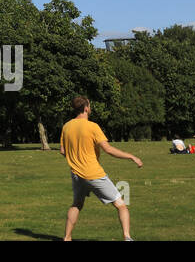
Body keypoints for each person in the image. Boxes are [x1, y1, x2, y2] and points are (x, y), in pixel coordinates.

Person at [59, 96, 141, 241]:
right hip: (93, 173)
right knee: (121, 204)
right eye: (89, 105)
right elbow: (108, 149)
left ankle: (67, 238)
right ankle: (127, 237)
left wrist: (76, 159)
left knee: (77, 205)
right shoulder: (92, 127)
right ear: (85, 108)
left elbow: (63, 151)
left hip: (76, 175)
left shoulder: (66, 126)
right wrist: (131, 156)